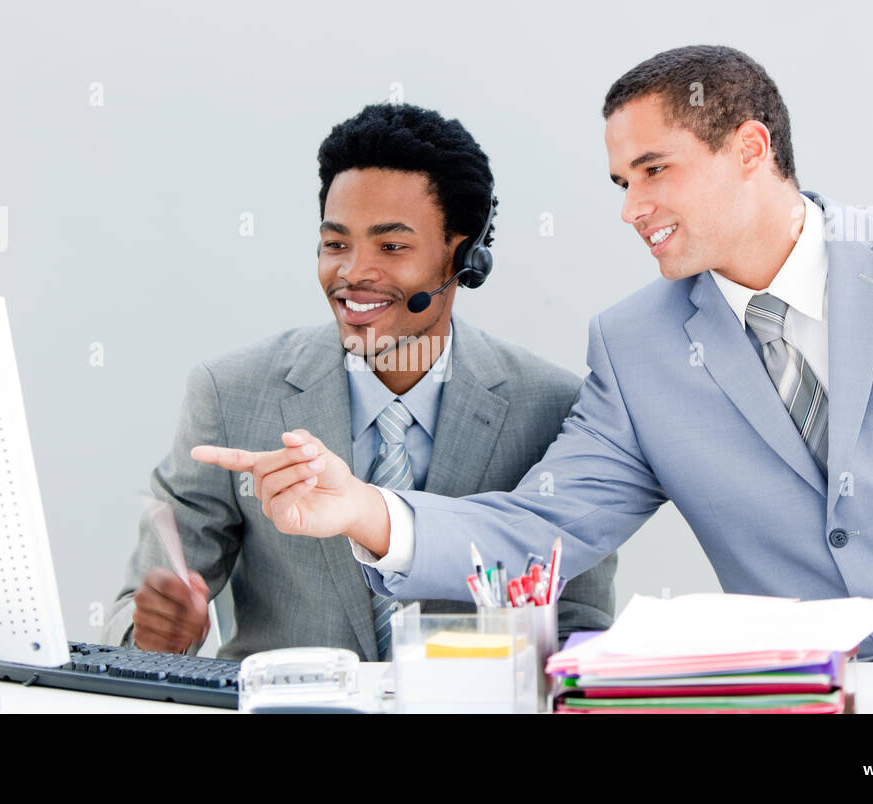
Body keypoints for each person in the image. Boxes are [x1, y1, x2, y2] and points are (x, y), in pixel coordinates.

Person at [195, 46, 873, 713]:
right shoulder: (637, 346)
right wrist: (367, 510)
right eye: (619, 180)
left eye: (654, 170)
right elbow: (540, 532)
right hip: (796, 706)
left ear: (751, 148)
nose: (630, 207)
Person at [104, 103, 619, 660]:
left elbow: (579, 627)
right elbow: (141, 613)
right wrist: (156, 635)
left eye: (391, 246)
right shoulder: (231, 393)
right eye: (335, 244)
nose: (352, 273)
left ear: (465, 256)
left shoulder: (552, 407)